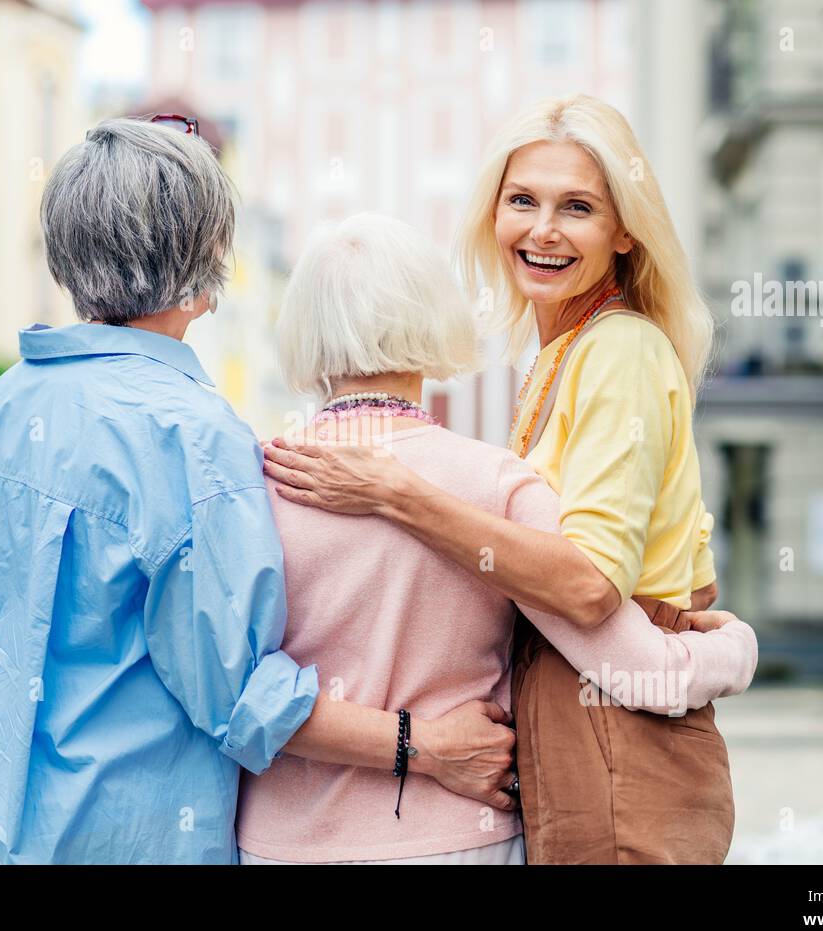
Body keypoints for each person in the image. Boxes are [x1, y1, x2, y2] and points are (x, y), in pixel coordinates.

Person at [0, 118, 511, 864]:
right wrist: (430, 746)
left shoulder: (12, 402)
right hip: (120, 838)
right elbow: (242, 698)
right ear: (207, 269)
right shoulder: (195, 438)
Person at [263, 96, 746, 863]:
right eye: (522, 200)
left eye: (577, 207)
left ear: (625, 231)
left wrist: (399, 493)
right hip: (584, 717)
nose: (543, 229)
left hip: (616, 727)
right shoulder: (562, 354)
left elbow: (590, 586)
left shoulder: (616, 350)